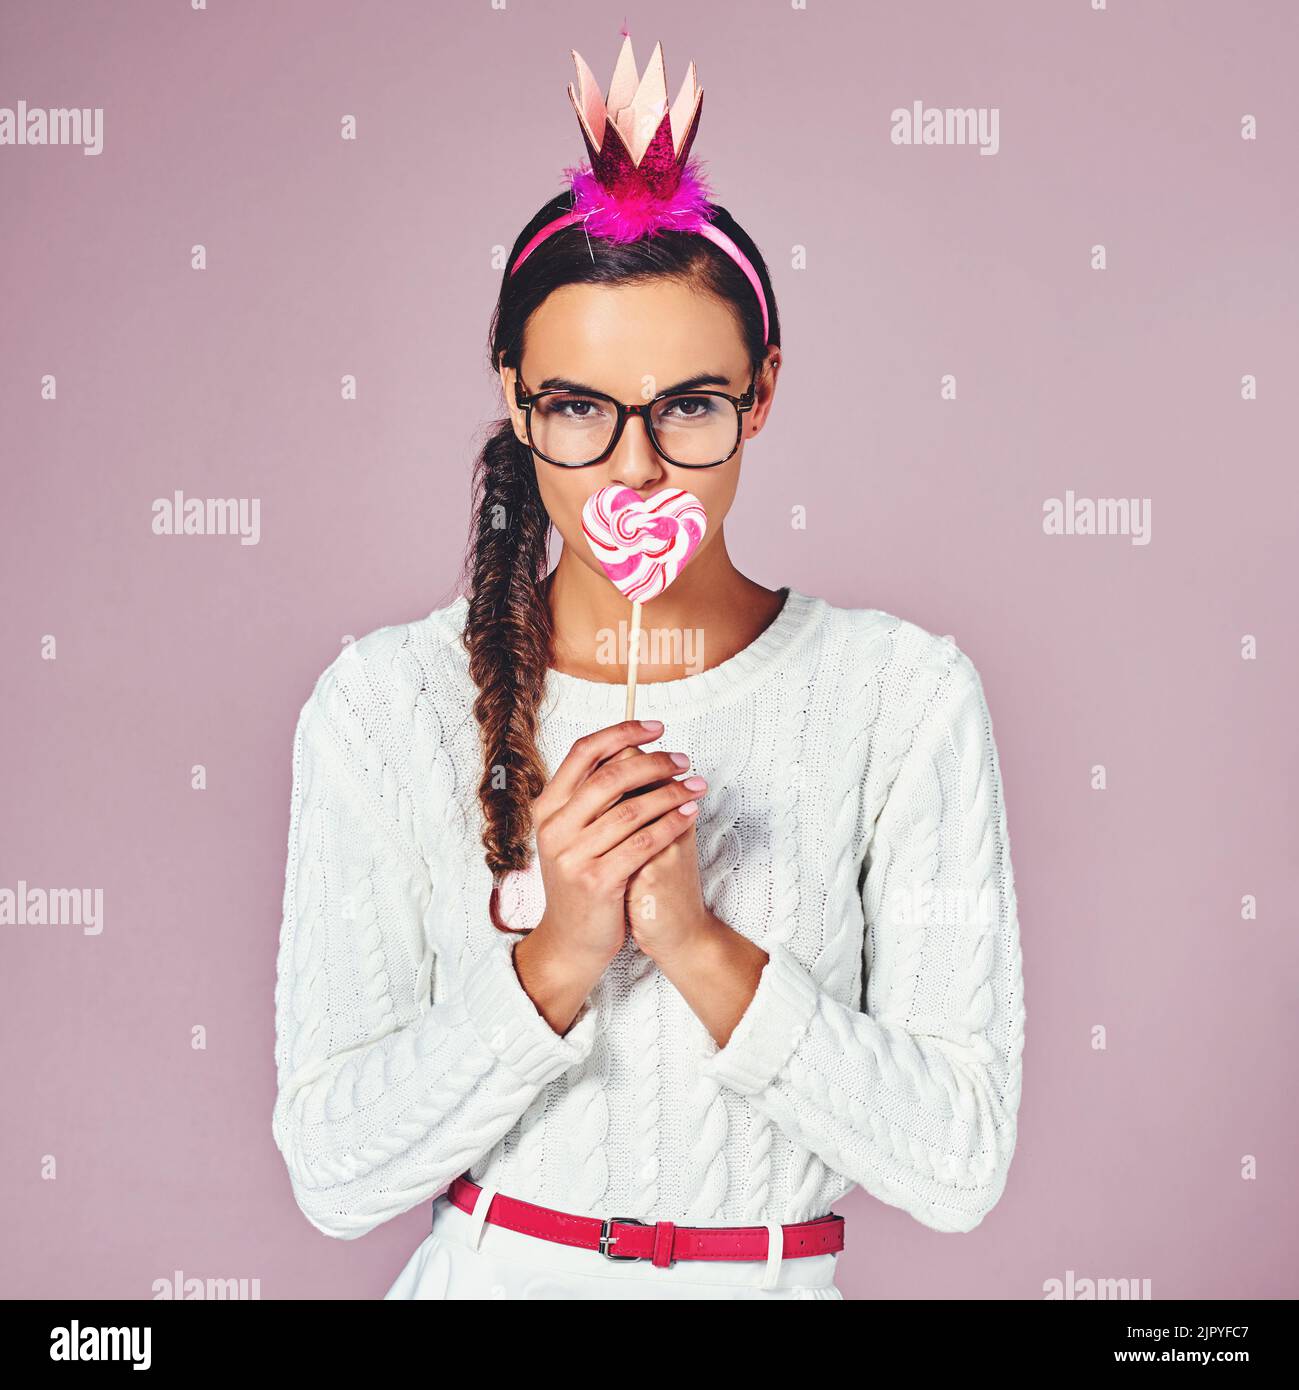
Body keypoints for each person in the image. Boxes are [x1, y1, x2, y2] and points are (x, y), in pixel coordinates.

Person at [271, 35, 1025, 1301]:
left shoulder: (904, 698)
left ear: (763, 391)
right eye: (579, 407)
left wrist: (690, 938)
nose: (634, 468)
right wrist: (561, 950)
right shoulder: (380, 706)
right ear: (516, 402)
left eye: (688, 405)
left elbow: (957, 1163)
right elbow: (336, 1173)